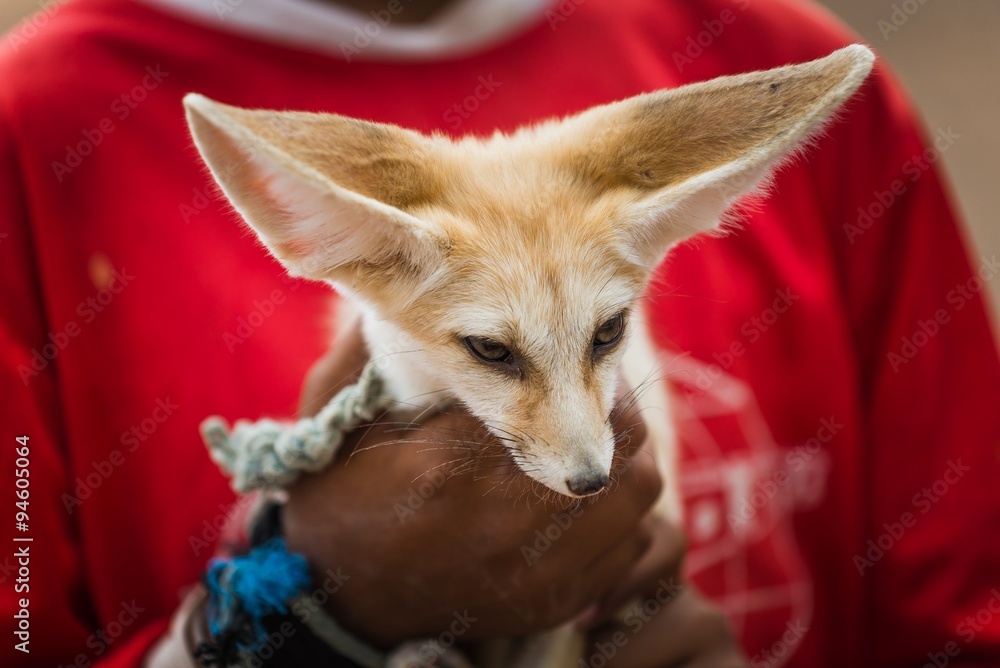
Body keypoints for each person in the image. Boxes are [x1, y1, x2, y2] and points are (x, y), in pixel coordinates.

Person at [1, 0, 998, 666]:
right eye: (494, 350)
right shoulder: (36, 137)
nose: (585, 453)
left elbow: (967, 611)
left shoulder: (761, 51)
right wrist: (303, 619)